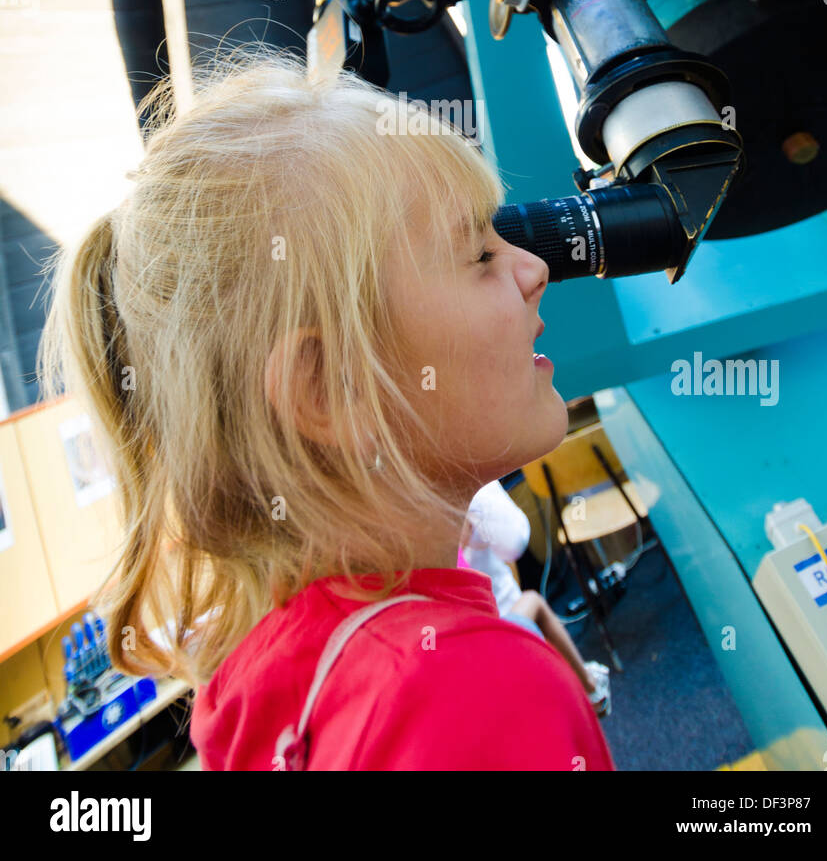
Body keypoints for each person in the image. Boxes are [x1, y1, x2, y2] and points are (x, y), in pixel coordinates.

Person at [38, 47, 614, 771]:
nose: (532, 269)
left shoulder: (272, 686)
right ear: (330, 388)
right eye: (477, 256)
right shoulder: (466, 695)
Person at [459, 481, 611, 716]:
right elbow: (514, 544)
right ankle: (590, 687)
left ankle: (584, 686)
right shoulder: (471, 491)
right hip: (499, 635)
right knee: (533, 601)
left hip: (464, 651)